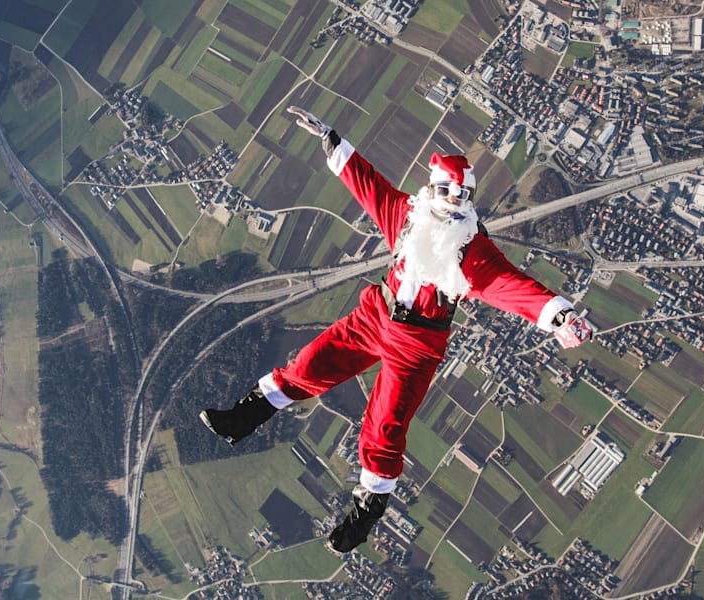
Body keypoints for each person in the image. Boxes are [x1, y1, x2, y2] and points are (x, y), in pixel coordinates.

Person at [200, 105, 592, 552]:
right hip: (376, 315)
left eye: (461, 196)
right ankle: (244, 417)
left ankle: (365, 513)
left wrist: (557, 315)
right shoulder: (409, 216)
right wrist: (331, 139)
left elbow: (509, 285)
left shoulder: (470, 249)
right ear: (432, 187)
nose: (453, 202)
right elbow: (369, 187)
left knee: (384, 425)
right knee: (309, 364)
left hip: (417, 343)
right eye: (446, 191)